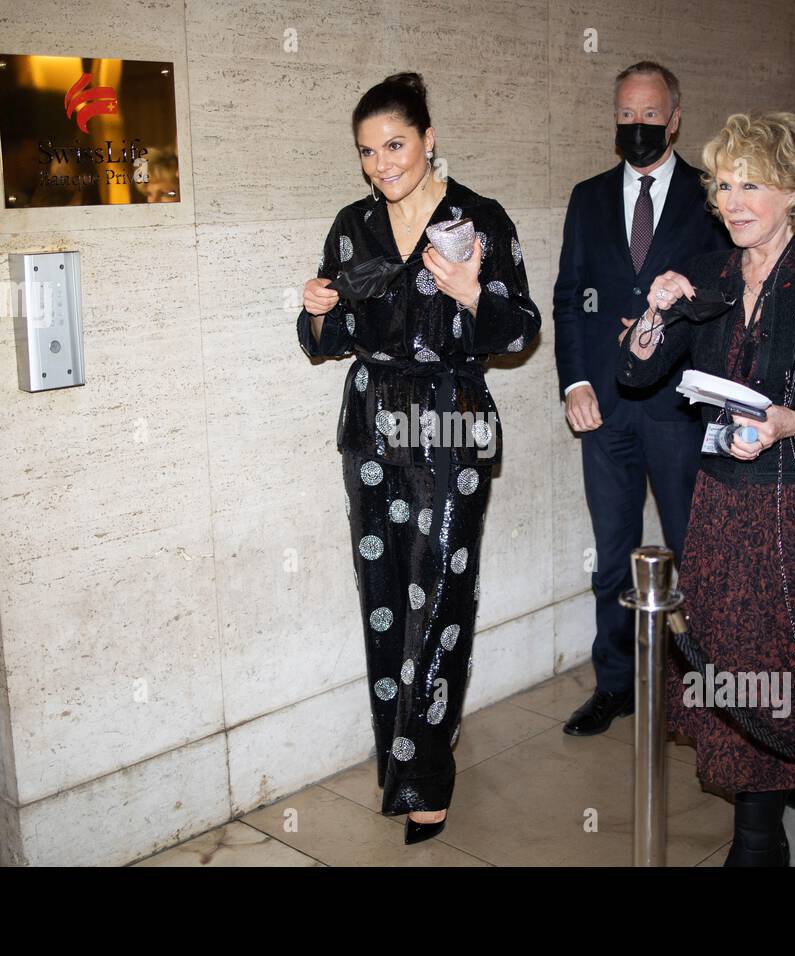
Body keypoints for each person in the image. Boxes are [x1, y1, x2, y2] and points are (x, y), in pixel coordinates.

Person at [617, 111, 795, 865]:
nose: (732, 200)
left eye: (753, 184)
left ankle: (758, 834)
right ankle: (762, 797)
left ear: (794, 193)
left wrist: (794, 422)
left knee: (774, 659)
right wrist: (656, 310)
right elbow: (637, 371)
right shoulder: (707, 271)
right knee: (721, 651)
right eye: (723, 183)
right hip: (720, 497)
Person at [296, 72, 540, 845]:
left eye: (395, 144)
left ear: (429, 139)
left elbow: (521, 329)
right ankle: (400, 757)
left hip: (450, 428)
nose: (381, 162)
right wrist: (314, 311)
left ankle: (426, 774)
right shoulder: (352, 225)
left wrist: (472, 293)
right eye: (368, 151)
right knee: (382, 601)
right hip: (371, 428)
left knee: (438, 605)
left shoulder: (482, 220)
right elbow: (324, 343)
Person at [553, 61, 728, 737]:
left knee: (694, 549)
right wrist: (574, 383)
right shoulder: (588, 197)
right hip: (604, 408)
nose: (637, 127)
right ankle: (616, 684)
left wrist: (667, 336)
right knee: (612, 553)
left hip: (677, 407)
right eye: (625, 115)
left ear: (675, 119)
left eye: (650, 116)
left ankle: (705, 688)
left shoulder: (710, 197)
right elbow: (570, 298)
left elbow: (722, 301)